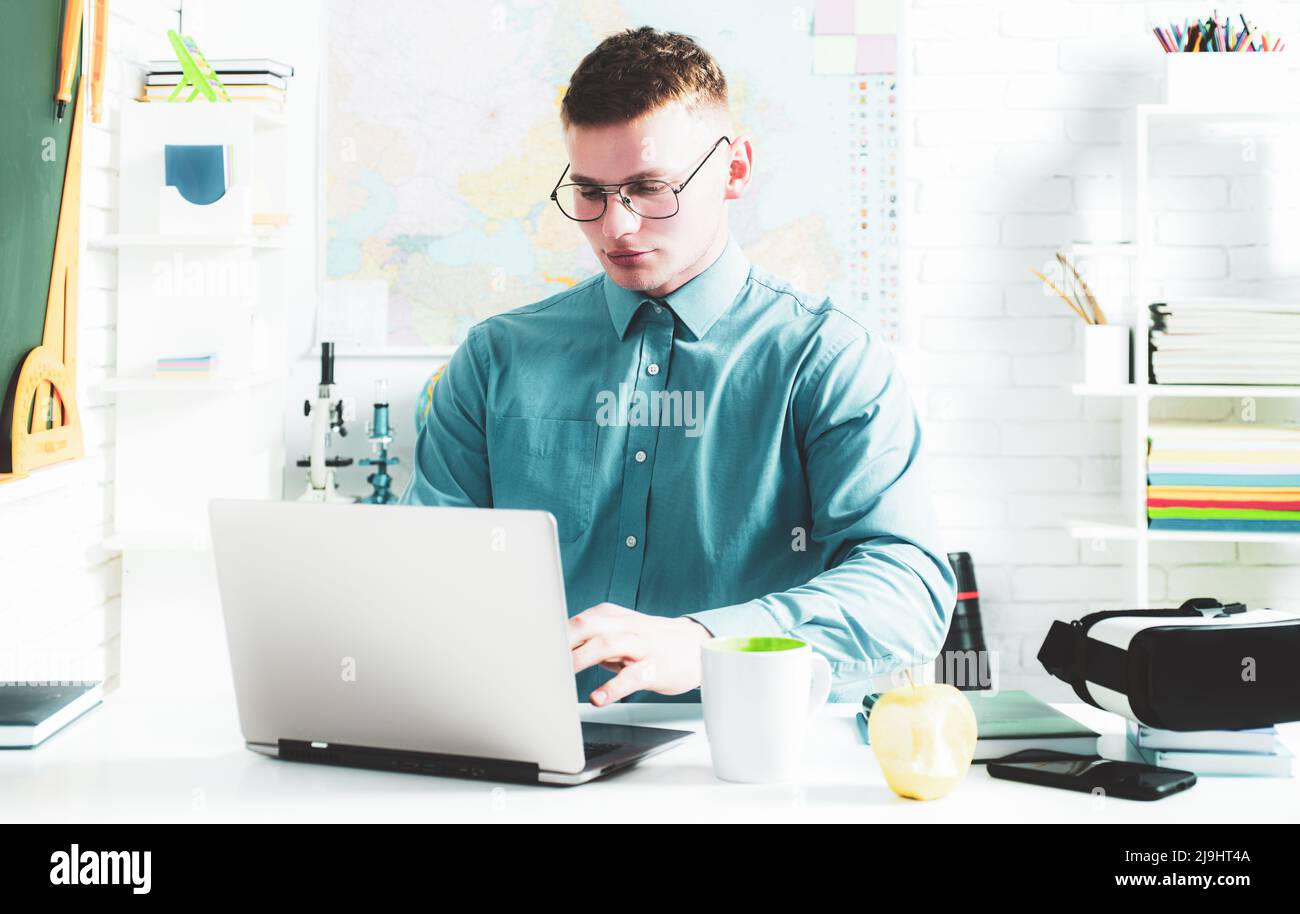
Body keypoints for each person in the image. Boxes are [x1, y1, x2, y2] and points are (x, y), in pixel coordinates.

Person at [401, 26, 956, 706]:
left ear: (736, 170)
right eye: (591, 193)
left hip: (746, 767)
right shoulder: (495, 360)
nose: (617, 228)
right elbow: (424, 574)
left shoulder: (828, 359)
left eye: (649, 188)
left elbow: (908, 589)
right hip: (530, 757)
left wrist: (710, 643)